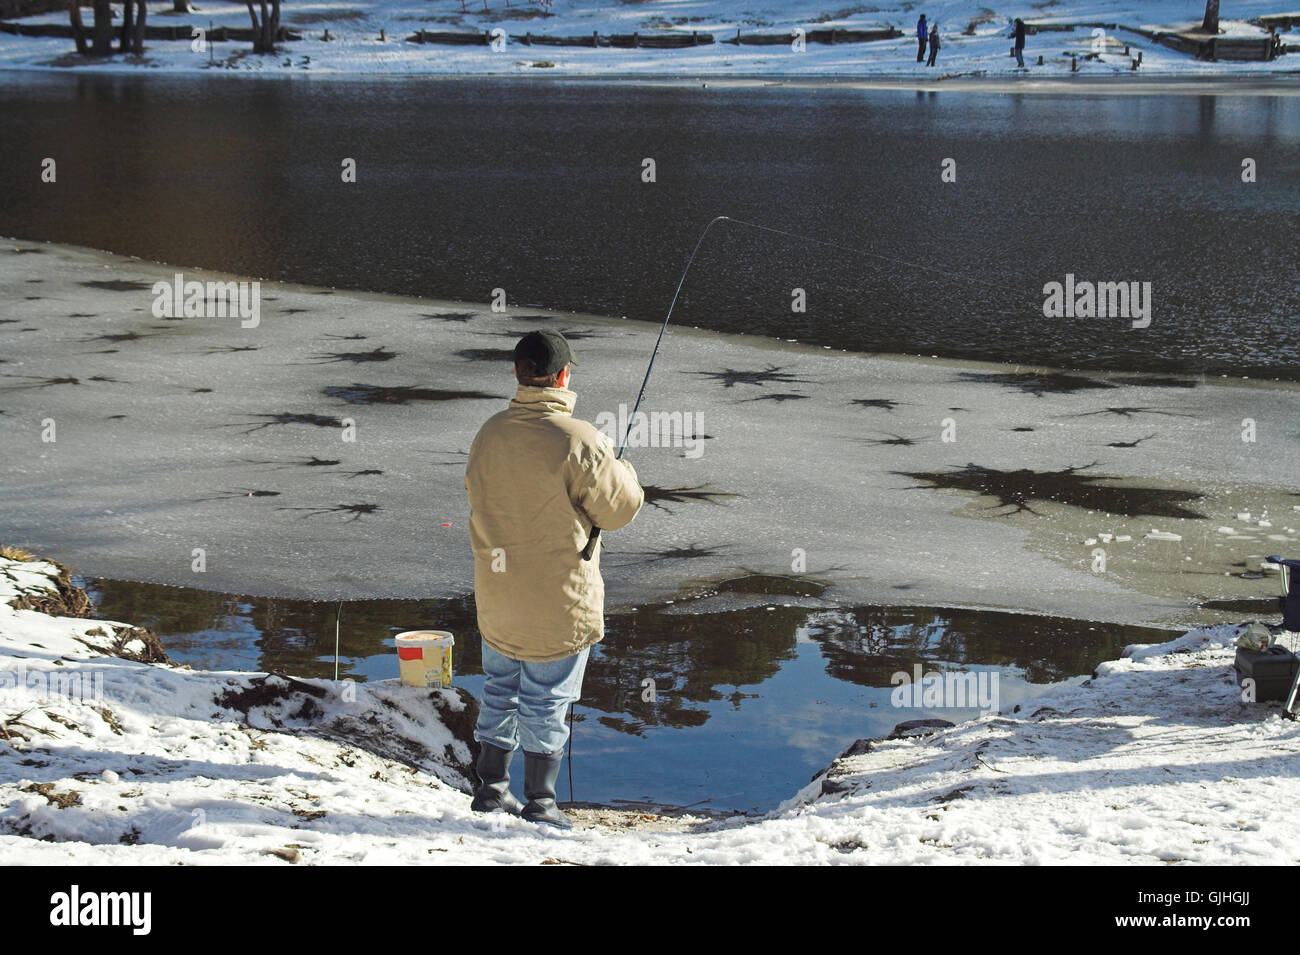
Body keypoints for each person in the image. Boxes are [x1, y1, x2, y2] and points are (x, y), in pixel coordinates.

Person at [464, 329, 644, 828]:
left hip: (498, 594)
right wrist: (620, 467)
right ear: (563, 376)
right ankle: (541, 803)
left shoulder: (490, 432)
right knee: (547, 699)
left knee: (500, 687)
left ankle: (490, 790)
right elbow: (620, 510)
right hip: (558, 601)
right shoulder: (580, 439)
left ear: (518, 373)